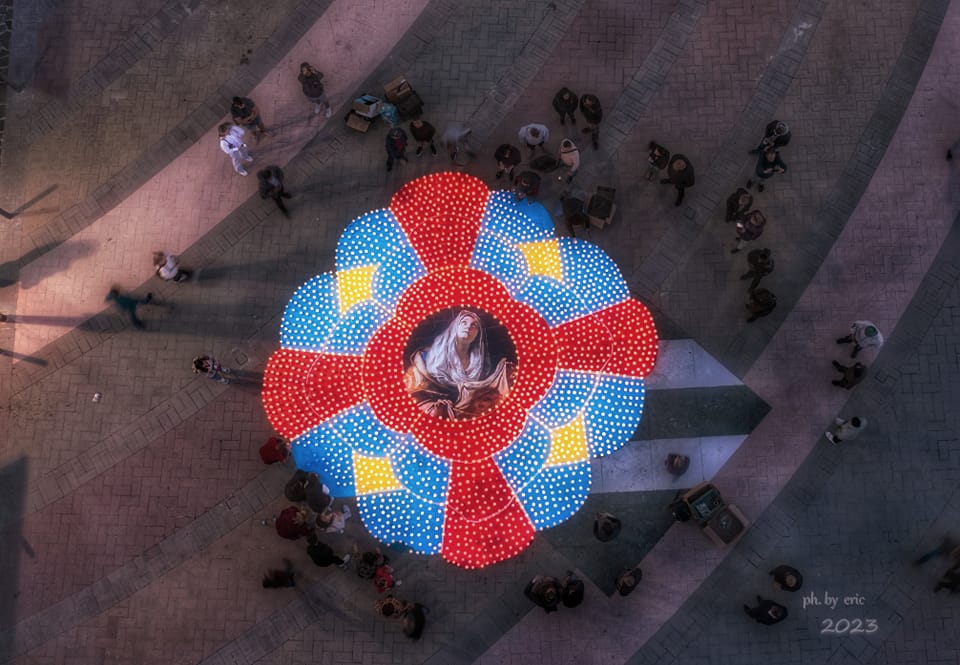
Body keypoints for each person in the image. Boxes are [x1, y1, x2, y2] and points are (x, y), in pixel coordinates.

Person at [403, 310, 516, 420]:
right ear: (455, 327)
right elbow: (415, 391)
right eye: (464, 323)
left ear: (478, 334)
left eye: (474, 325)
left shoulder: (478, 364)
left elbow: (479, 391)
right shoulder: (429, 358)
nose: (468, 327)